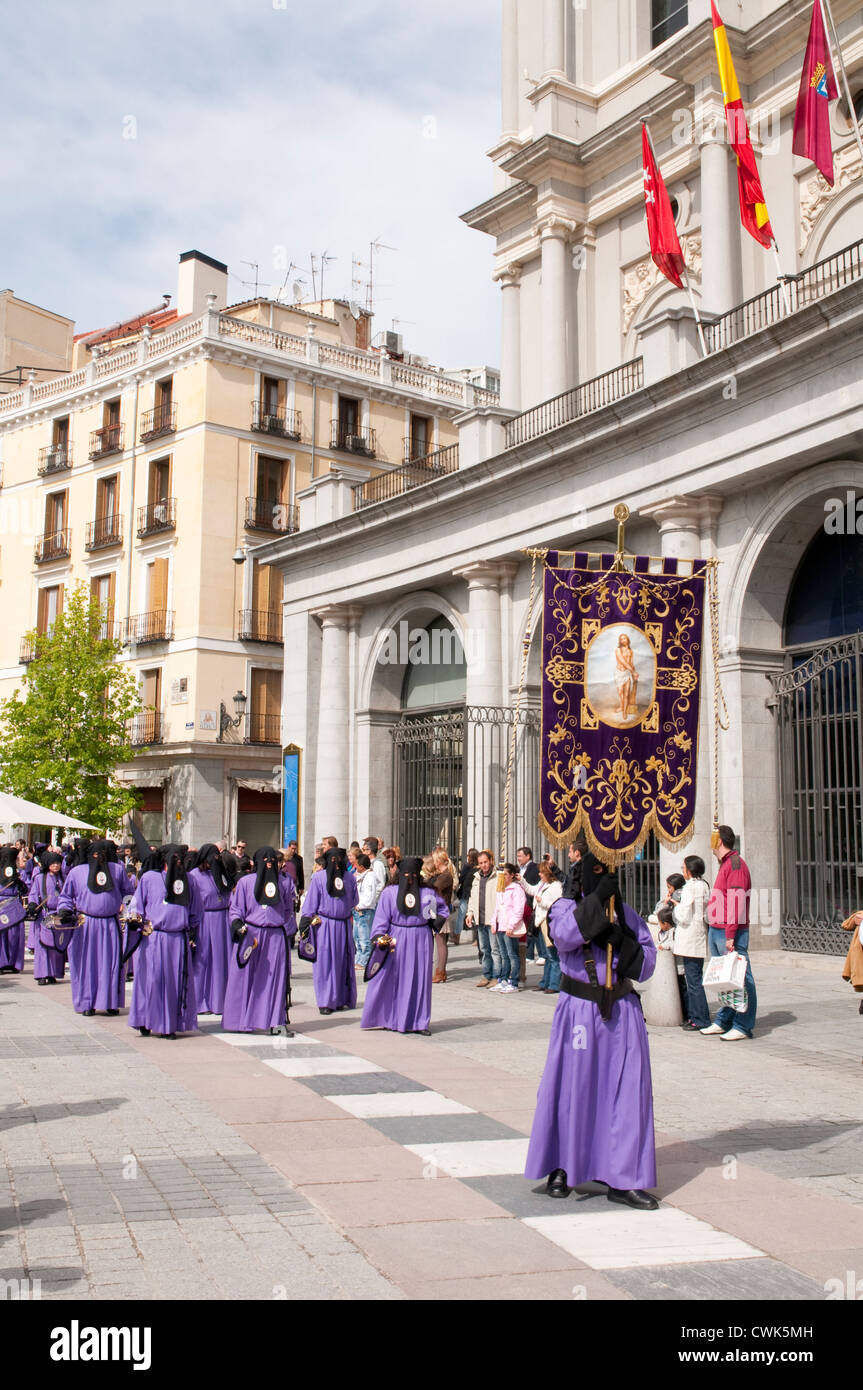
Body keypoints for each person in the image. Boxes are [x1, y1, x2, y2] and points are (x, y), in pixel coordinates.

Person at [525, 852, 659, 1210]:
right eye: (594, 873)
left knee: (626, 1093)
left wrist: (623, 938)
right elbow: (564, 936)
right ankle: (563, 1166)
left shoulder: (627, 914)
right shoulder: (564, 907)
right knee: (573, 1087)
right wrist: (596, 904)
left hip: (622, 1011)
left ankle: (624, 1176)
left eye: (606, 875)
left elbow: (647, 965)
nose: (600, 879)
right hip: (579, 1012)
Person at [360, 856, 448, 1036]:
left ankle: (419, 1021)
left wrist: (432, 923)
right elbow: (382, 917)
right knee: (392, 979)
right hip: (396, 938)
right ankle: (390, 1018)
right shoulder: (390, 892)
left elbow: (438, 912)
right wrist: (379, 937)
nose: (409, 879)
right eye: (405, 874)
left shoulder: (427, 893)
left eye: (413, 875)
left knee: (419, 979)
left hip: (420, 938)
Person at [127, 847, 202, 1039]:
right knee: (151, 980)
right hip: (154, 937)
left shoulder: (190, 880)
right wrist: (135, 919)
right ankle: (145, 1020)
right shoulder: (150, 878)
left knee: (175, 982)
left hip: (178, 938)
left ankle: (170, 1024)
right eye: (176, 858)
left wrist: (192, 929)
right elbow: (137, 905)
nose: (179, 862)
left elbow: (196, 909)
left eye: (182, 859)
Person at [222, 847, 297, 1034]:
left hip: (275, 935)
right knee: (245, 976)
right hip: (252, 933)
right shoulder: (246, 882)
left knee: (274, 978)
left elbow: (288, 909)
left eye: (272, 860)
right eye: (265, 860)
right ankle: (240, 1020)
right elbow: (236, 907)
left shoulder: (284, 883)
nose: (269, 864)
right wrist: (238, 924)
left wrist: (280, 923)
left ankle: (273, 1019)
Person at [57, 840, 134, 1015]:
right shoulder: (77, 872)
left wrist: (127, 907)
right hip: (86, 924)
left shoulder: (117, 870)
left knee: (112, 964)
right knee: (86, 964)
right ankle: (87, 1002)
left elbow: (128, 892)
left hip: (110, 924)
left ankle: (111, 1001)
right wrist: (64, 910)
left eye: (103, 853)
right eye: (95, 853)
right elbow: (66, 896)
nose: (99, 856)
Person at [702, 825, 757, 1041]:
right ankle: (723, 1020)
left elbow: (737, 900)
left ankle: (743, 1024)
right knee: (724, 980)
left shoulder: (735, 864)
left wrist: (731, 934)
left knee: (741, 978)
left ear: (719, 842)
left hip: (729, 930)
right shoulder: (726, 864)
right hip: (718, 928)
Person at [300, 846, 359, 1015]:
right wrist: (306, 921)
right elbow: (311, 902)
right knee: (325, 963)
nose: (337, 863)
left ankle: (340, 998)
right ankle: (326, 1000)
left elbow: (354, 899)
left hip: (343, 924)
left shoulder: (349, 878)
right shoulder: (319, 878)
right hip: (325, 925)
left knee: (342, 962)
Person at [189, 844, 235, 1015]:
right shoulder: (194, 876)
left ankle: (220, 1001)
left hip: (223, 920)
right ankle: (200, 1002)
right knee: (204, 960)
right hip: (205, 920)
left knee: (221, 961)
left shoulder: (220, 874)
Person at [672, 854, 711, 1032]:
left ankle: (699, 1018)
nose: (683, 871)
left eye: (684, 868)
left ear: (689, 870)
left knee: (693, 981)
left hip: (689, 937)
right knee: (696, 978)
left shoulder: (689, 888)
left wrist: (676, 908)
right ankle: (697, 1016)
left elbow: (684, 915)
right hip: (699, 935)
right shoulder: (704, 886)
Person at [28, 850, 66, 985]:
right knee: (43, 945)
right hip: (45, 913)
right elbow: (33, 894)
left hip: (59, 915)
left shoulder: (63, 878)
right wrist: (33, 904)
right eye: (53, 863)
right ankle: (42, 974)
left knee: (56, 945)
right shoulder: (40, 878)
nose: (56, 866)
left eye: (58, 863)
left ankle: (53, 973)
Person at [526, 860, 563, 993]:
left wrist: (543, 902)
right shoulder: (542, 884)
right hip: (540, 921)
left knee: (552, 954)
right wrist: (521, 880)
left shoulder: (556, 886)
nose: (540, 874)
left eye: (542, 872)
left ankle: (554, 984)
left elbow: (557, 904)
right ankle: (545, 982)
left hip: (548, 921)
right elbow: (531, 889)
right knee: (546, 954)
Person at [491, 863, 527, 993]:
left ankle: (514, 981)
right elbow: (497, 908)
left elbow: (518, 909)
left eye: (505, 874)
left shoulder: (517, 889)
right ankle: (503, 979)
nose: (503, 877)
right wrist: (493, 923)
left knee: (513, 954)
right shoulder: (501, 889)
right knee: (504, 955)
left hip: (509, 927)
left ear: (512, 875)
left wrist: (511, 926)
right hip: (501, 926)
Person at [466, 849, 498, 987]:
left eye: (485, 862)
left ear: (491, 861)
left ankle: (496, 976)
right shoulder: (477, 878)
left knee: (495, 950)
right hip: (480, 918)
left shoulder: (498, 876)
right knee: (484, 949)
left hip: (492, 918)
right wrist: (470, 913)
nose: (484, 865)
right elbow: (472, 897)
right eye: (481, 863)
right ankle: (486, 974)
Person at [429, 848, 455, 984]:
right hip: (437, 911)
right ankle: (439, 969)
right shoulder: (441, 874)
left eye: (434, 859)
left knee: (441, 942)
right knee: (439, 941)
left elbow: (435, 888)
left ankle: (441, 971)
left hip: (442, 911)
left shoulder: (446, 876)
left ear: (438, 860)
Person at [0, 845, 27, 974]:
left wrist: (21, 884)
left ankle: (13, 962)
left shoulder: (18, 873)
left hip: (14, 905)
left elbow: (27, 888)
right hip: (1, 905)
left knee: (14, 935)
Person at [352, 853, 376, 972]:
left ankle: (364, 960)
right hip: (357, 910)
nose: (355, 867)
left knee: (364, 938)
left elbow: (369, 896)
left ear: (362, 866)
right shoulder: (361, 875)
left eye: (357, 865)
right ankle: (358, 958)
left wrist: (360, 905)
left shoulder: (370, 876)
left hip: (364, 910)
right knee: (356, 936)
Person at [453, 849, 479, 943]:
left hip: (465, 893)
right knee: (476, 915)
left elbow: (461, 878)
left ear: (470, 857)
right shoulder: (478, 867)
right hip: (474, 892)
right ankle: (477, 938)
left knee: (462, 914)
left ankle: (457, 936)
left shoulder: (467, 866)